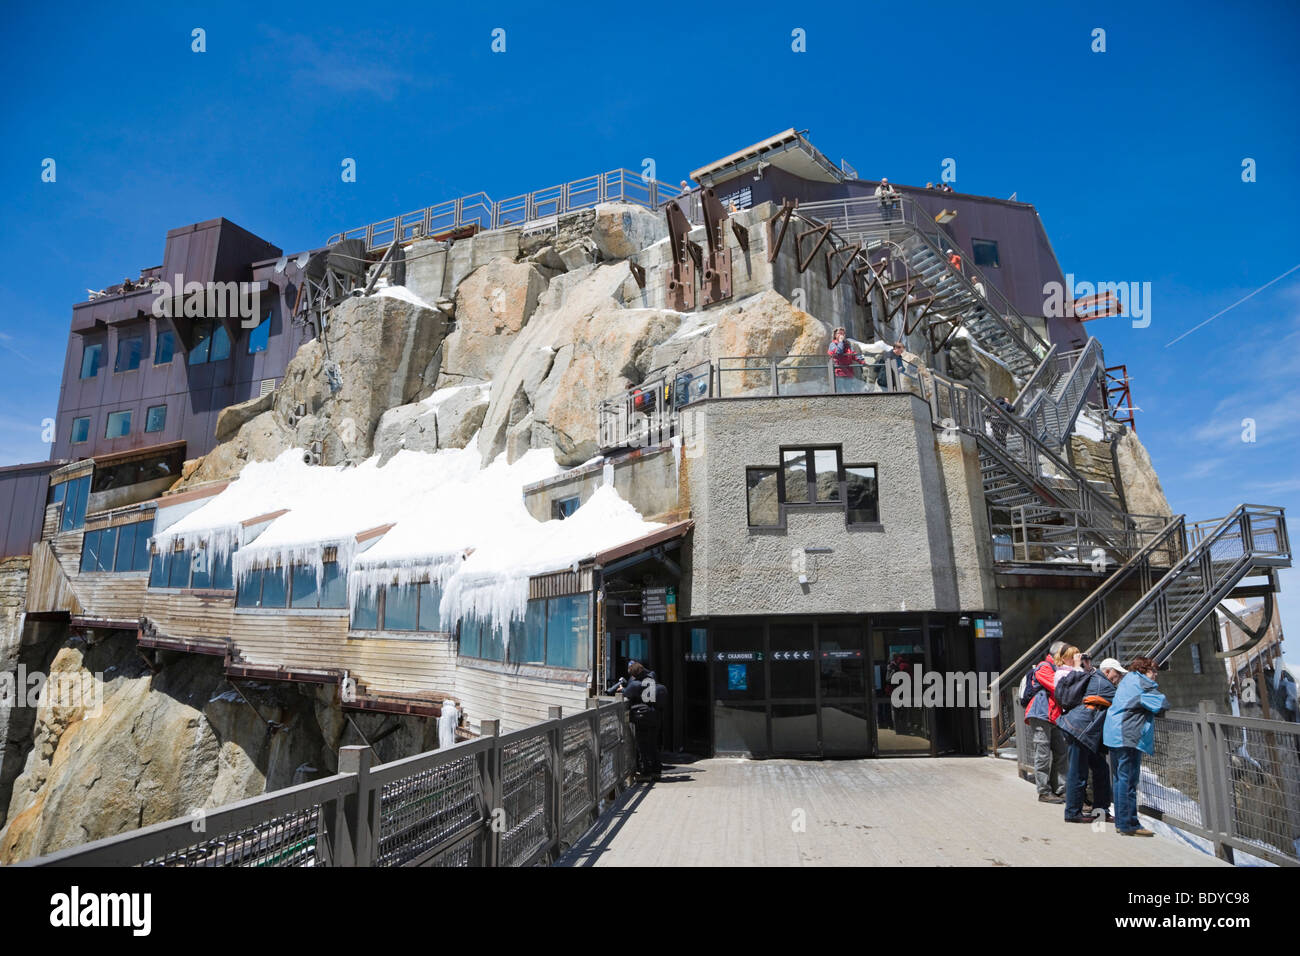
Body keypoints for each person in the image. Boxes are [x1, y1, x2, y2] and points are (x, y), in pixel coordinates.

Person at [1103, 657, 1168, 837]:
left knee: (1119, 779)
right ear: (1144, 670)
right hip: (1127, 736)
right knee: (1128, 780)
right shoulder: (1143, 684)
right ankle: (1128, 824)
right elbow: (1161, 703)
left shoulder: (1128, 680)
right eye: (1153, 671)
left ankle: (1122, 821)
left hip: (1114, 733)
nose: (1155, 675)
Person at [1057, 658, 1125, 823]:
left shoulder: (1097, 679)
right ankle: (1072, 813)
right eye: (1117, 674)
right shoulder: (1103, 684)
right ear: (1107, 671)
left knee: (1101, 769)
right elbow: (1125, 701)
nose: (1119, 678)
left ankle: (1100, 811)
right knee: (1078, 772)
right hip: (1081, 730)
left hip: (1082, 731)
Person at [1024, 640, 1067, 803]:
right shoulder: (1044, 667)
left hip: (1054, 716)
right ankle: (1043, 791)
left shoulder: (1058, 669)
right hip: (1041, 715)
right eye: (1065, 655)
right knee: (1042, 754)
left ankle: (1060, 789)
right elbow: (1057, 686)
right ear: (1057, 655)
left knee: (1061, 752)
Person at [624, 660, 666, 779]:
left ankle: (645, 773)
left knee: (642, 745)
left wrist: (622, 689)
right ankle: (657, 771)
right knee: (653, 745)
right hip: (654, 716)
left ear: (633, 674)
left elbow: (626, 693)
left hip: (642, 718)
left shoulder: (634, 684)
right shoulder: (652, 678)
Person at [828, 327, 865, 392]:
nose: (842, 335)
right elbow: (838, 352)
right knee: (839, 392)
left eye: (843, 333)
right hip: (838, 374)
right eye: (840, 333)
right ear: (835, 335)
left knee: (849, 392)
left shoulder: (847, 344)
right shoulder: (832, 344)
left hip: (848, 373)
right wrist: (840, 342)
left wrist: (862, 361)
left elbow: (853, 354)